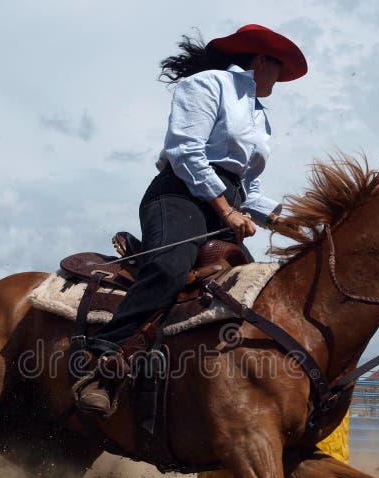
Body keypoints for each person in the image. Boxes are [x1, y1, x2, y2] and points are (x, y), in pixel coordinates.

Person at [75, 24, 308, 415]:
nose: (280, 79)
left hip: (222, 210)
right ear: (260, 60)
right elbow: (184, 152)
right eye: (279, 68)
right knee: (170, 267)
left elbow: (248, 186)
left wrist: (288, 221)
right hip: (178, 196)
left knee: (247, 297)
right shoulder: (207, 84)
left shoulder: (261, 118)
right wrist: (227, 210)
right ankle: (102, 361)